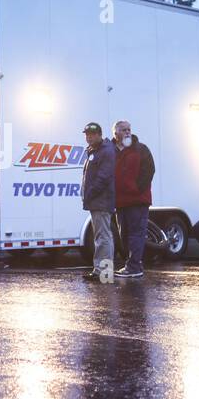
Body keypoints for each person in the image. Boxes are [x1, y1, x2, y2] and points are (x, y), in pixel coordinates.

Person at [113, 119, 156, 279]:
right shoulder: (112, 151)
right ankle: (133, 264)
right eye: (123, 130)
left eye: (129, 129)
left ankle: (134, 267)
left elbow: (150, 169)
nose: (127, 132)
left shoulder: (141, 149)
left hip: (138, 201)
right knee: (124, 235)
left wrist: (136, 188)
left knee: (136, 234)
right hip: (120, 202)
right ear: (116, 134)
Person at [80, 121, 116, 282]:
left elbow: (103, 177)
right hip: (97, 201)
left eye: (92, 134)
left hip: (101, 201)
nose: (89, 137)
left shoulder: (106, 151)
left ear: (99, 135)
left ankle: (105, 273)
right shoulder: (95, 150)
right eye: (87, 134)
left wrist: (89, 193)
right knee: (100, 237)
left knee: (103, 237)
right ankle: (100, 271)